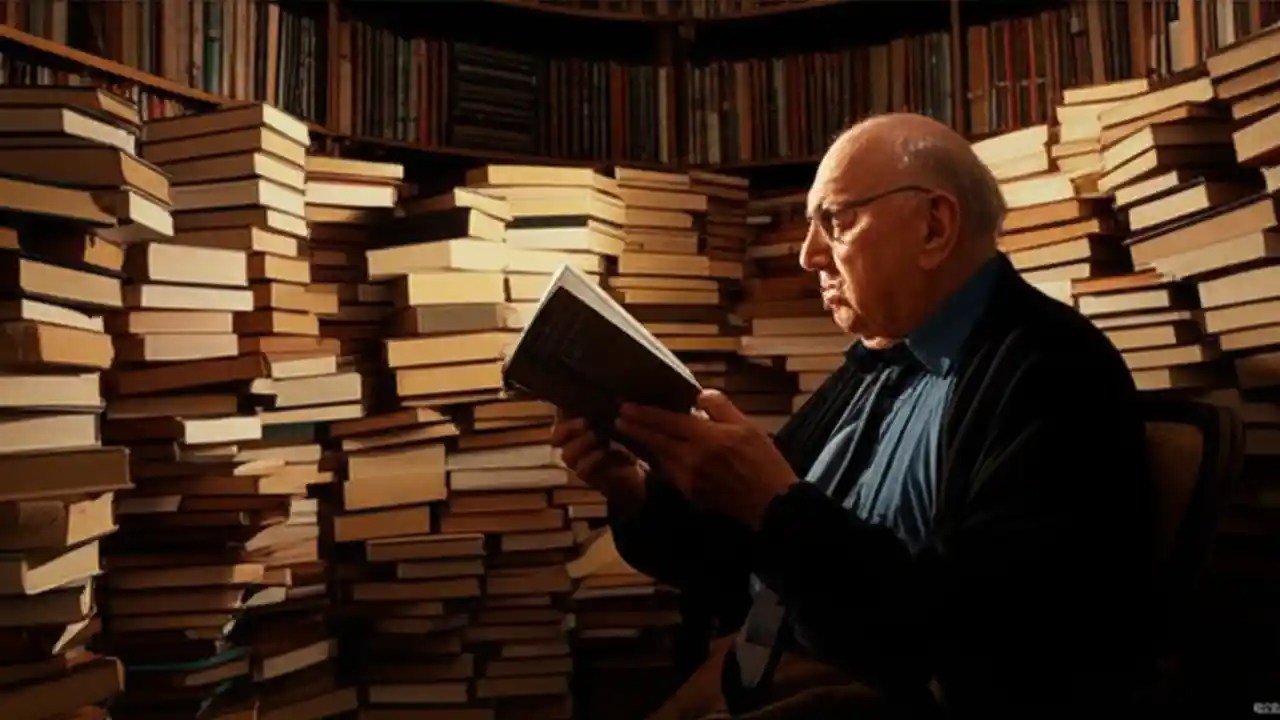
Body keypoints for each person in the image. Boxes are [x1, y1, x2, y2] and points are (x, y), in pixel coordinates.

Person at [551, 113, 1158, 719]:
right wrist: (633, 488)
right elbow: (739, 565)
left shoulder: (1052, 371)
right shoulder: (876, 359)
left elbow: (977, 641)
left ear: (934, 227)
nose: (810, 256)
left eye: (834, 222)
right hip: (751, 670)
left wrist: (773, 506)